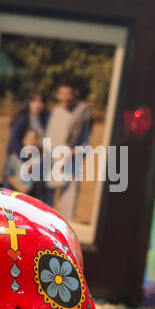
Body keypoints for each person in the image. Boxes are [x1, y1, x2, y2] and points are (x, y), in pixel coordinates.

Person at [45, 81, 92, 221]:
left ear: (73, 96)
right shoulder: (52, 114)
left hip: (71, 166)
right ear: (58, 95)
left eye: (69, 94)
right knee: (46, 205)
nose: (66, 97)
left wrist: (71, 153)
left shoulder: (80, 117)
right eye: (62, 94)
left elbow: (86, 145)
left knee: (68, 205)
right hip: (49, 164)